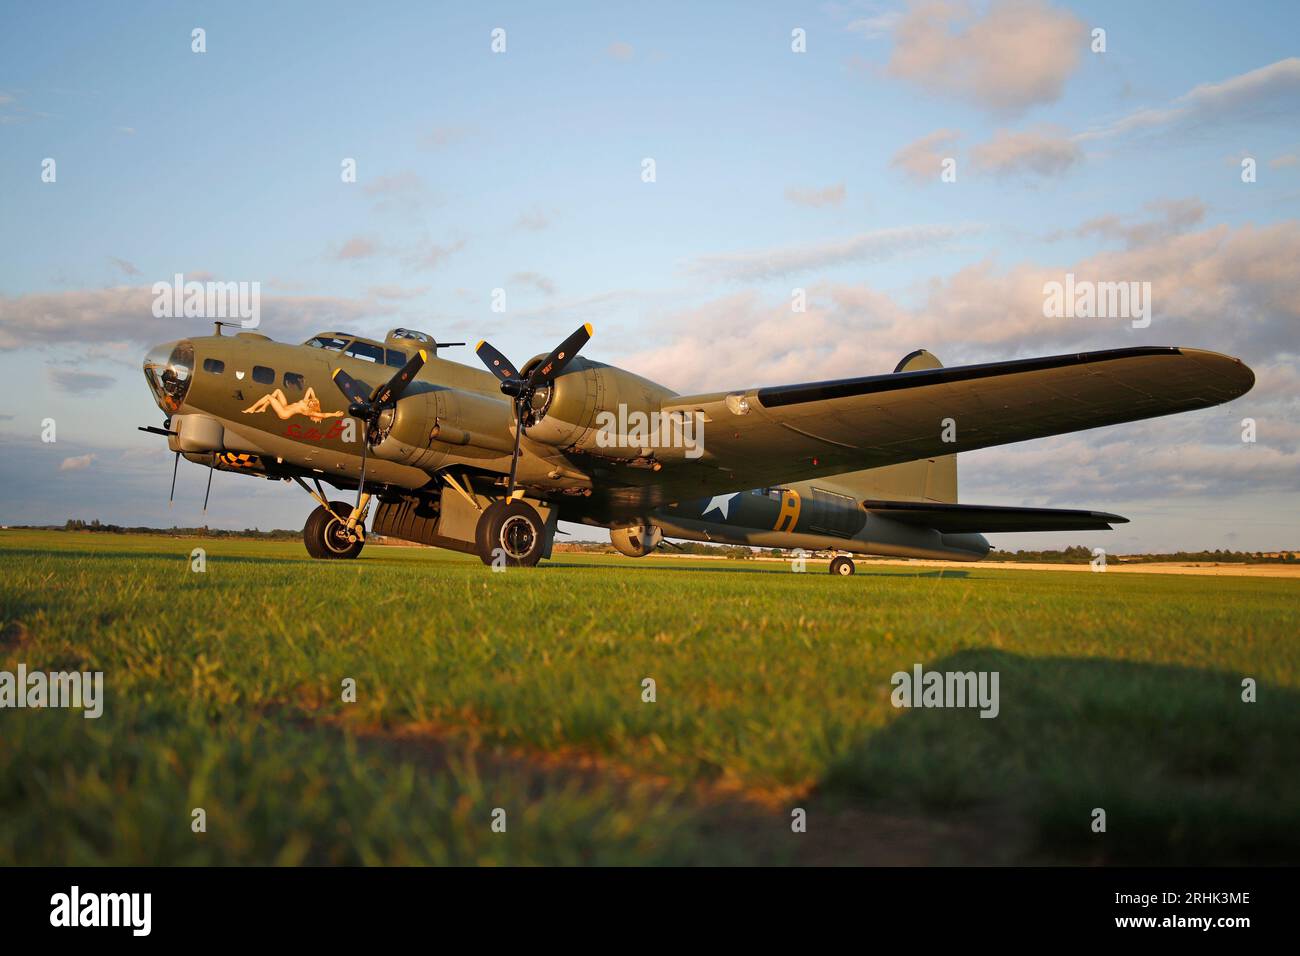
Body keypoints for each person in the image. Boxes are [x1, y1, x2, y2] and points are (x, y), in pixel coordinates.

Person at [242, 386, 344, 423]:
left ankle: (252, 408)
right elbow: (310, 389)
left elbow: (324, 415)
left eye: (313, 402)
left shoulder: (308, 412)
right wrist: (315, 398)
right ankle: (264, 407)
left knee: (269, 396)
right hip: (285, 407)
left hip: (284, 413)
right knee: (277, 391)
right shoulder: (306, 400)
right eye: (312, 401)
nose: (312, 401)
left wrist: (335, 414)